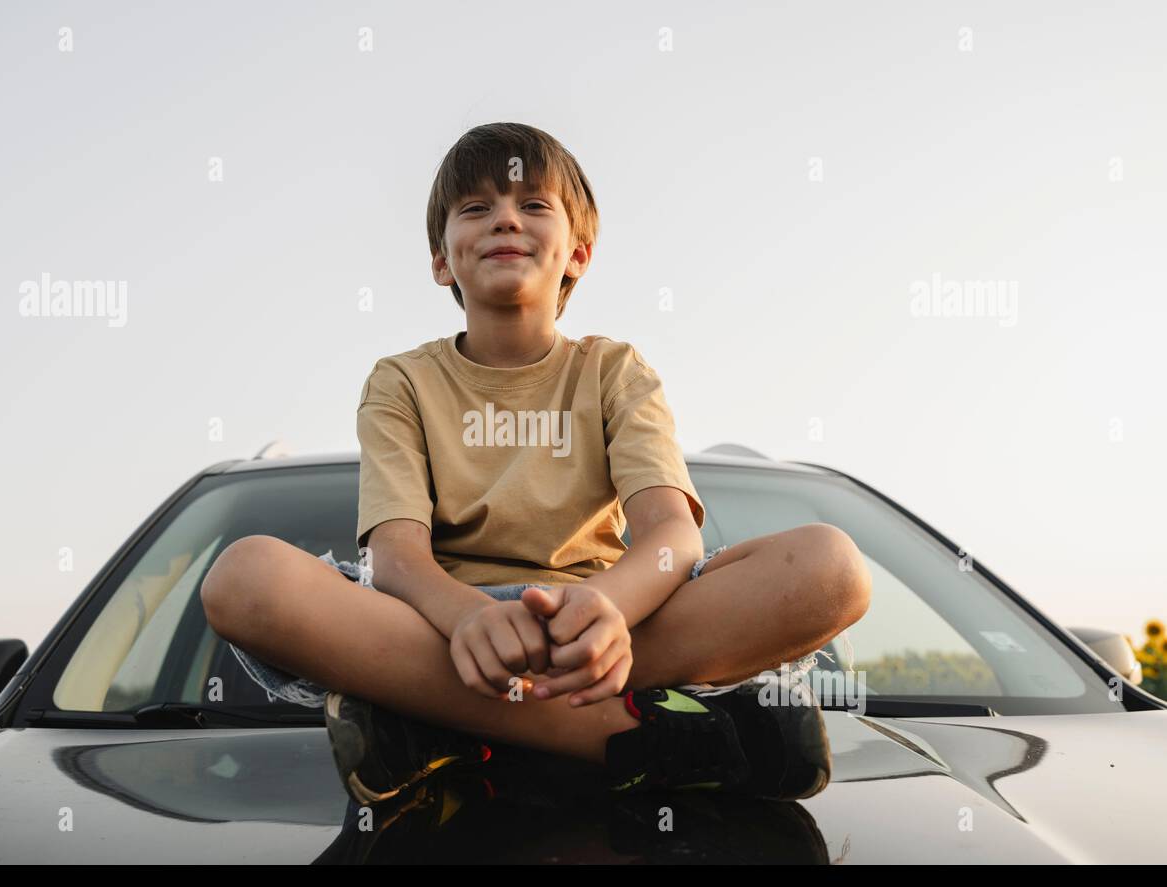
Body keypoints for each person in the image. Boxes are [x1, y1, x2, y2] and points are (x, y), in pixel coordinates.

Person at [201, 122, 871, 810]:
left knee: (831, 567)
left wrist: (607, 607)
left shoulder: (615, 372)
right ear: (441, 261)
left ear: (578, 253)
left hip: (608, 626)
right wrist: (466, 619)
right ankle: (632, 737)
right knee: (243, 578)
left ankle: (436, 722)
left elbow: (672, 536)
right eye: (476, 208)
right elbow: (395, 557)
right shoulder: (400, 381)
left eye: (533, 205)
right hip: (436, 629)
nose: (505, 220)